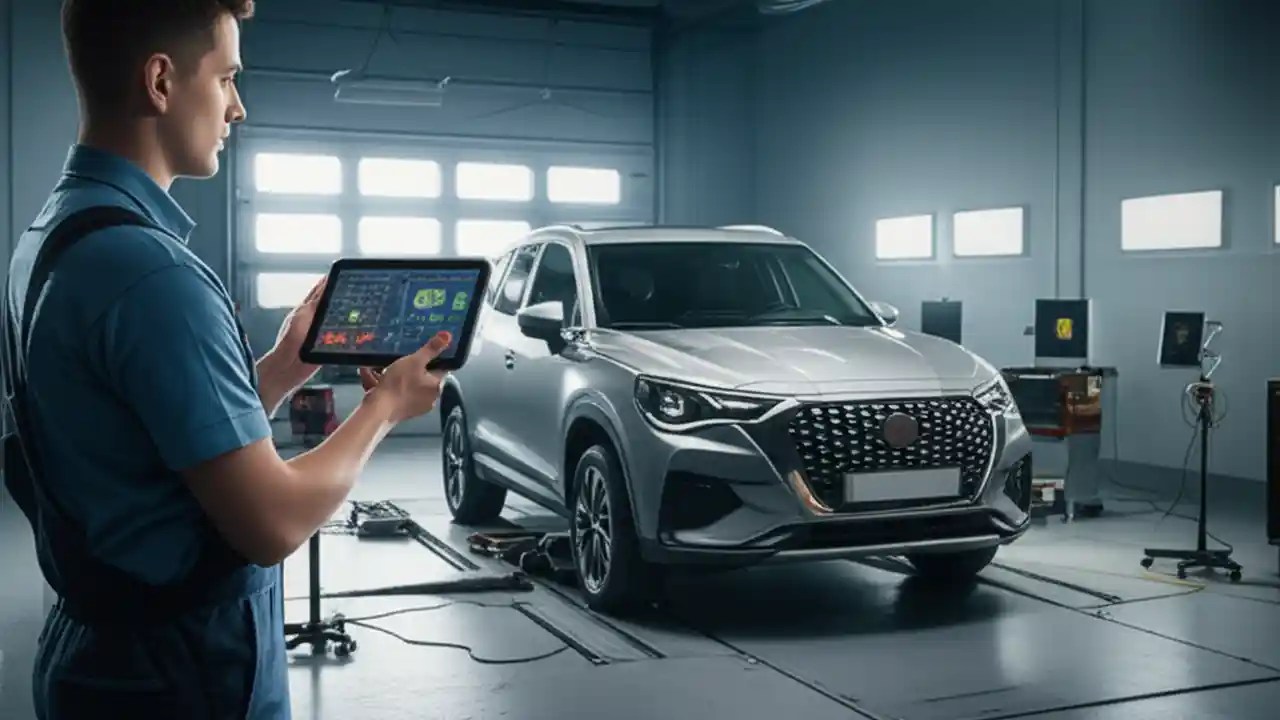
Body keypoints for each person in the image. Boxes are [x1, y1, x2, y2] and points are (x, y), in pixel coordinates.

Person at [3, 1, 448, 717]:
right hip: (182, 675)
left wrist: (278, 369)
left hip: (99, 652)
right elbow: (270, 522)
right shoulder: (153, 276)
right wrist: (384, 408)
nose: (237, 107)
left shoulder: (53, 240)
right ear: (160, 82)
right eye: (227, 78)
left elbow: (149, 446)